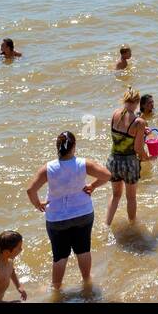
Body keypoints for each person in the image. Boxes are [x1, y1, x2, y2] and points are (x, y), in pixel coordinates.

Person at [26, 131, 110, 289]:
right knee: (83, 249)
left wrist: (38, 204)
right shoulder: (83, 163)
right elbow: (106, 175)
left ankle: (56, 288)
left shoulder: (48, 168)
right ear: (74, 147)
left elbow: (30, 190)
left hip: (57, 217)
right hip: (83, 213)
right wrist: (92, 186)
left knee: (60, 255)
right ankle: (86, 281)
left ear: (57, 147)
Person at [105, 89, 148, 225]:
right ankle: (132, 226)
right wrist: (147, 157)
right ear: (137, 102)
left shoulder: (114, 114)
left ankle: (107, 224)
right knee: (131, 197)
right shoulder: (139, 122)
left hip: (113, 161)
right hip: (129, 163)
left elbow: (121, 134)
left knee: (116, 195)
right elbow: (138, 149)